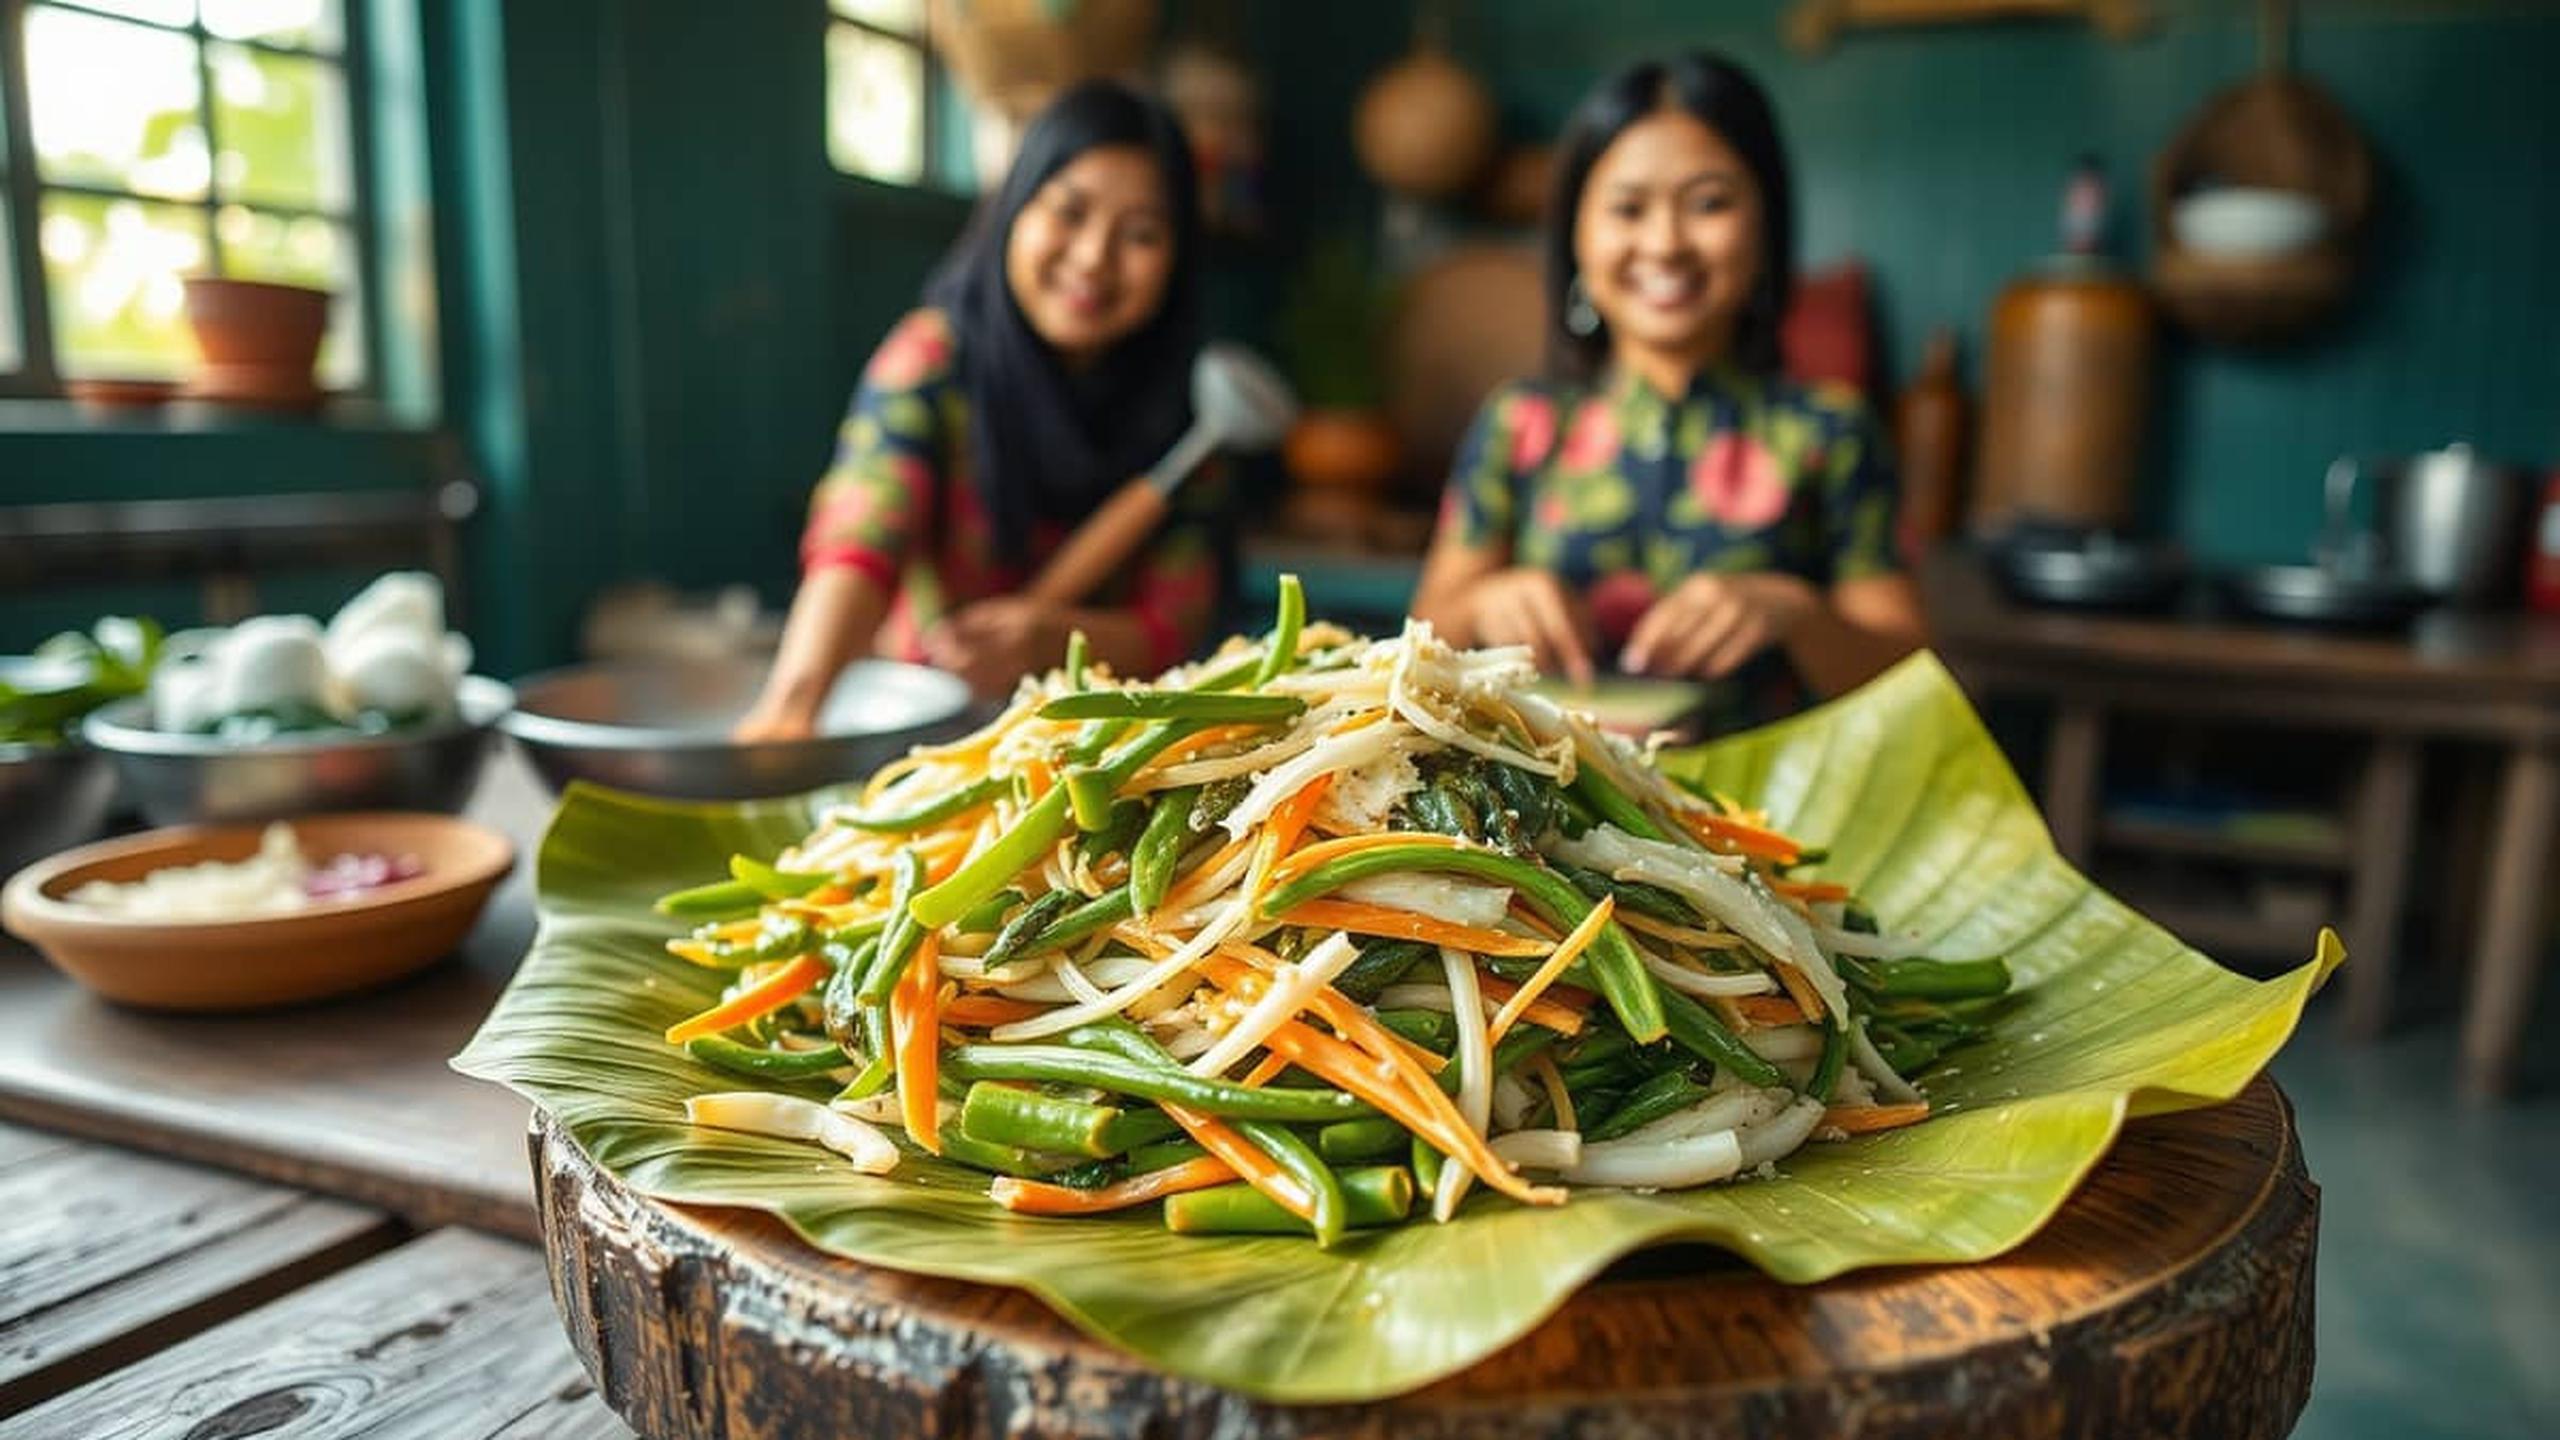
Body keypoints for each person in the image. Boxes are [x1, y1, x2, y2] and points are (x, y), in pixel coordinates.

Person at [1408, 52, 1924, 729]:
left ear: (1765, 223)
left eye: (1709, 203)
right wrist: (1486, 602)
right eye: (1628, 208)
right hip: (1547, 787)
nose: (1665, 243)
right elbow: (1421, 638)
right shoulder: (1519, 422)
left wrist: (1796, 613)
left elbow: (1909, 678)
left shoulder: (1832, 429)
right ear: (1577, 235)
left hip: (1761, 790)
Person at [737, 81, 1224, 737]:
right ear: (1013, 209)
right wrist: (793, 705)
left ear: (1178, 257)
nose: (1093, 258)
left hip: (1105, 748)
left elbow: (1176, 624)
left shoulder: (1192, 416)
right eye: (1069, 212)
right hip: (922, 738)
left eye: (1141, 234)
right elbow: (862, 532)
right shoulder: (933, 359)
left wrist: (1053, 641)